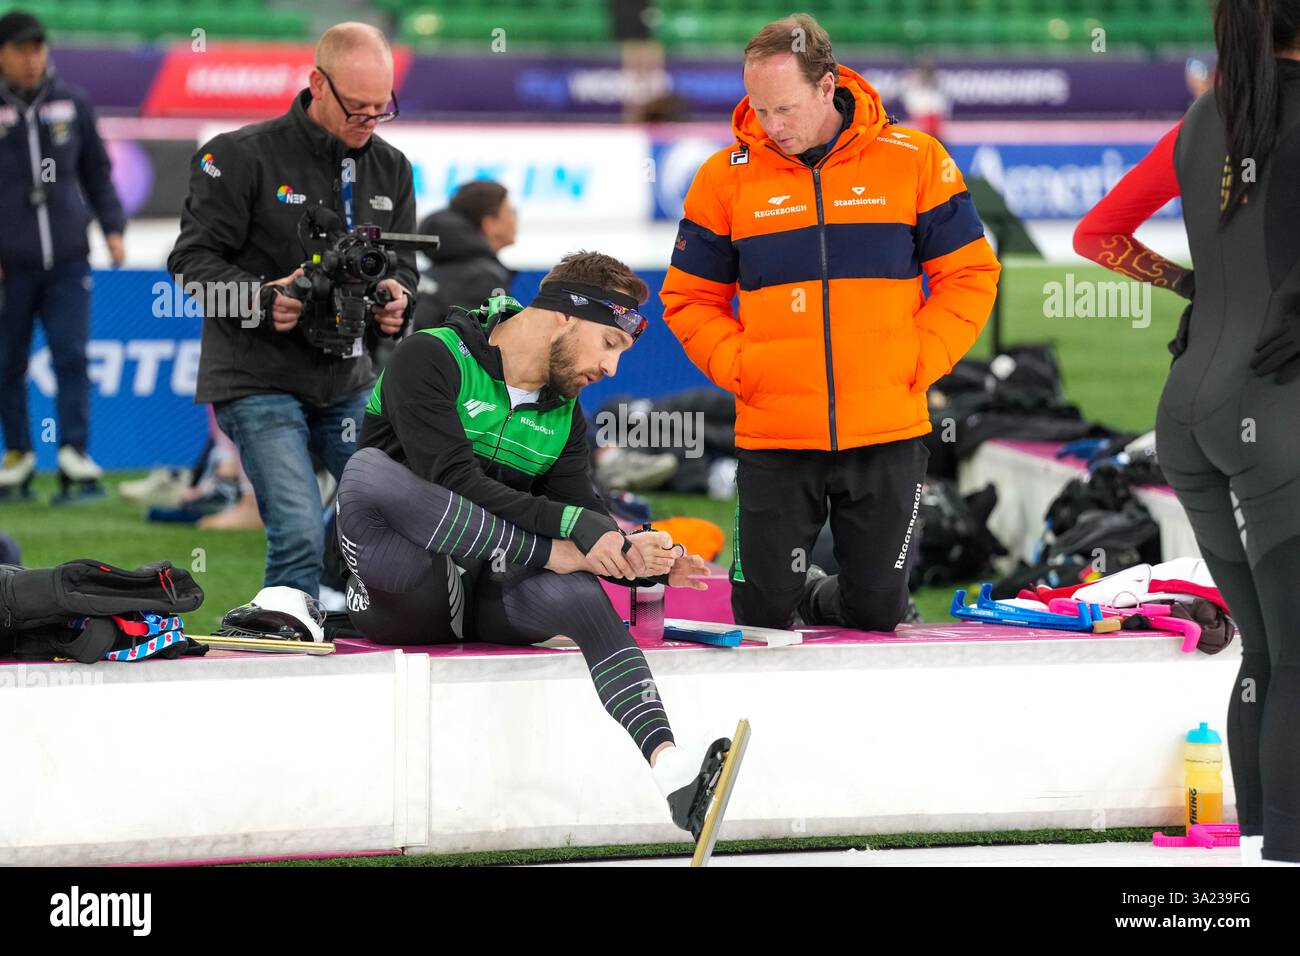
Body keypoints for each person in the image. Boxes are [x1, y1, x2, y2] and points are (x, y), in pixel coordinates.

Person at [335, 250, 731, 836]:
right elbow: (454, 481)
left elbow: (584, 511)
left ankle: (671, 772)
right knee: (368, 471)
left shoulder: (565, 413)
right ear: (565, 316)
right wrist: (566, 539)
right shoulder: (432, 355)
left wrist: (639, 555)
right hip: (402, 590)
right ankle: (548, 561)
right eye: (610, 345)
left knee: (575, 589)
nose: (612, 369)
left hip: (484, 595)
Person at [660, 13, 1000, 633]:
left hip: (888, 430)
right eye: (759, 110)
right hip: (776, 433)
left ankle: (824, 605)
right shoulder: (722, 178)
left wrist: (918, 360)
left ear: (827, 86)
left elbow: (971, 276)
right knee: (760, 614)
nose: (773, 125)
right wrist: (745, 368)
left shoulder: (915, 159)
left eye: (784, 108)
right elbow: (688, 300)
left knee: (875, 613)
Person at [1073, 0, 1300, 868]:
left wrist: (1193, 287)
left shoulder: (1209, 115)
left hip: (1187, 413)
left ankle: (1250, 850)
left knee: (1265, 648)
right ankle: (1285, 851)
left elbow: (1098, 235)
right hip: (1273, 414)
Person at [167, 22, 417, 598]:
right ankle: (284, 643)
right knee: (299, 528)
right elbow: (189, 261)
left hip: (349, 377)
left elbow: (403, 266)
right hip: (257, 378)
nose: (369, 123)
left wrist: (398, 301)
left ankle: (331, 606)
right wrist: (260, 299)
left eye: (382, 109)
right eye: (358, 109)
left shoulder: (393, 167)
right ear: (317, 85)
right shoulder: (238, 156)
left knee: (397, 504)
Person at [0, 10, 125, 503]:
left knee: (71, 355)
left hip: (70, 259)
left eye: (39, 48)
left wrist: (112, 227)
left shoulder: (72, 103)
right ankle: (19, 456)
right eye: (21, 49)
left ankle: (74, 453)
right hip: (10, 266)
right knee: (7, 363)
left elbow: (96, 171)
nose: (33, 59)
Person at [411, 179, 516, 331]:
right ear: (490, 223)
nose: (515, 220)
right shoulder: (484, 279)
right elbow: (484, 346)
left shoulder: (439, 269)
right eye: (510, 212)